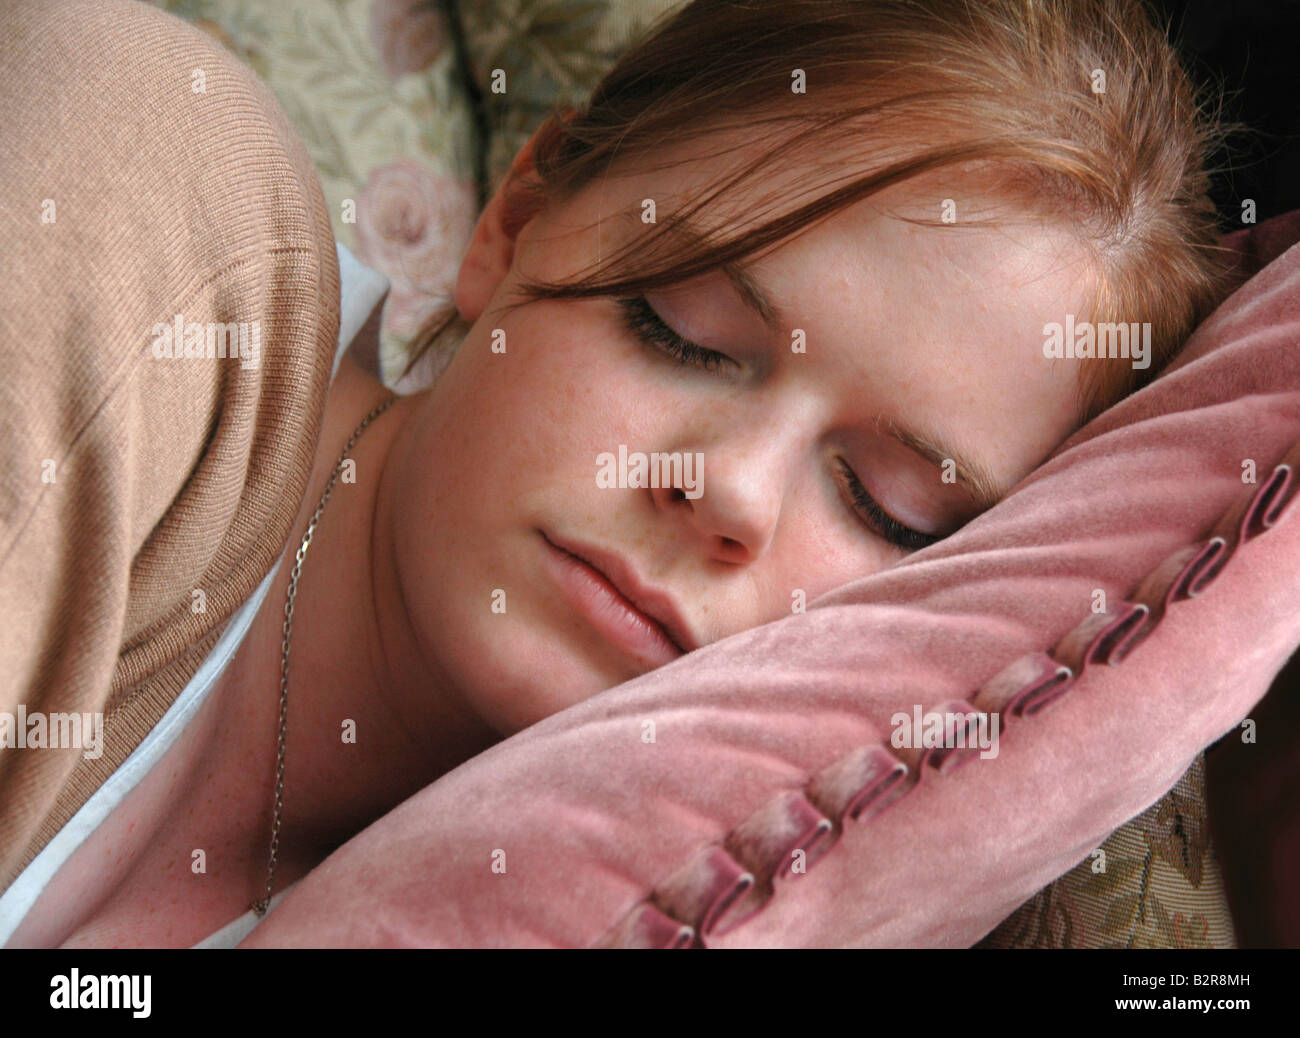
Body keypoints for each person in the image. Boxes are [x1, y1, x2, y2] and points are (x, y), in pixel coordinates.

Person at [0, 0, 1240, 947]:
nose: (730, 493)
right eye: (677, 327)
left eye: (888, 507)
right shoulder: (155, 207)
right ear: (514, 222)